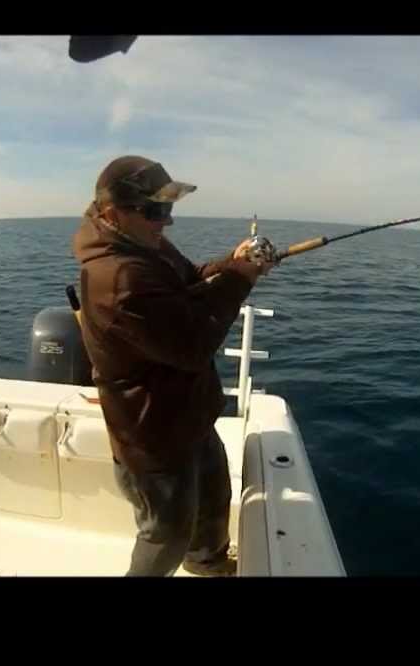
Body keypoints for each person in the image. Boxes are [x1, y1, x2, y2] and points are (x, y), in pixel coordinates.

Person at [71, 155, 273, 577]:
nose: (166, 221)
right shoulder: (119, 279)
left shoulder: (142, 242)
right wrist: (242, 279)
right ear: (113, 214)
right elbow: (193, 344)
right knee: (166, 534)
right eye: (154, 210)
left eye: (168, 208)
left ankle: (208, 566)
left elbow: (189, 277)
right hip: (152, 437)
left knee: (214, 497)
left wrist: (231, 262)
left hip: (189, 415)